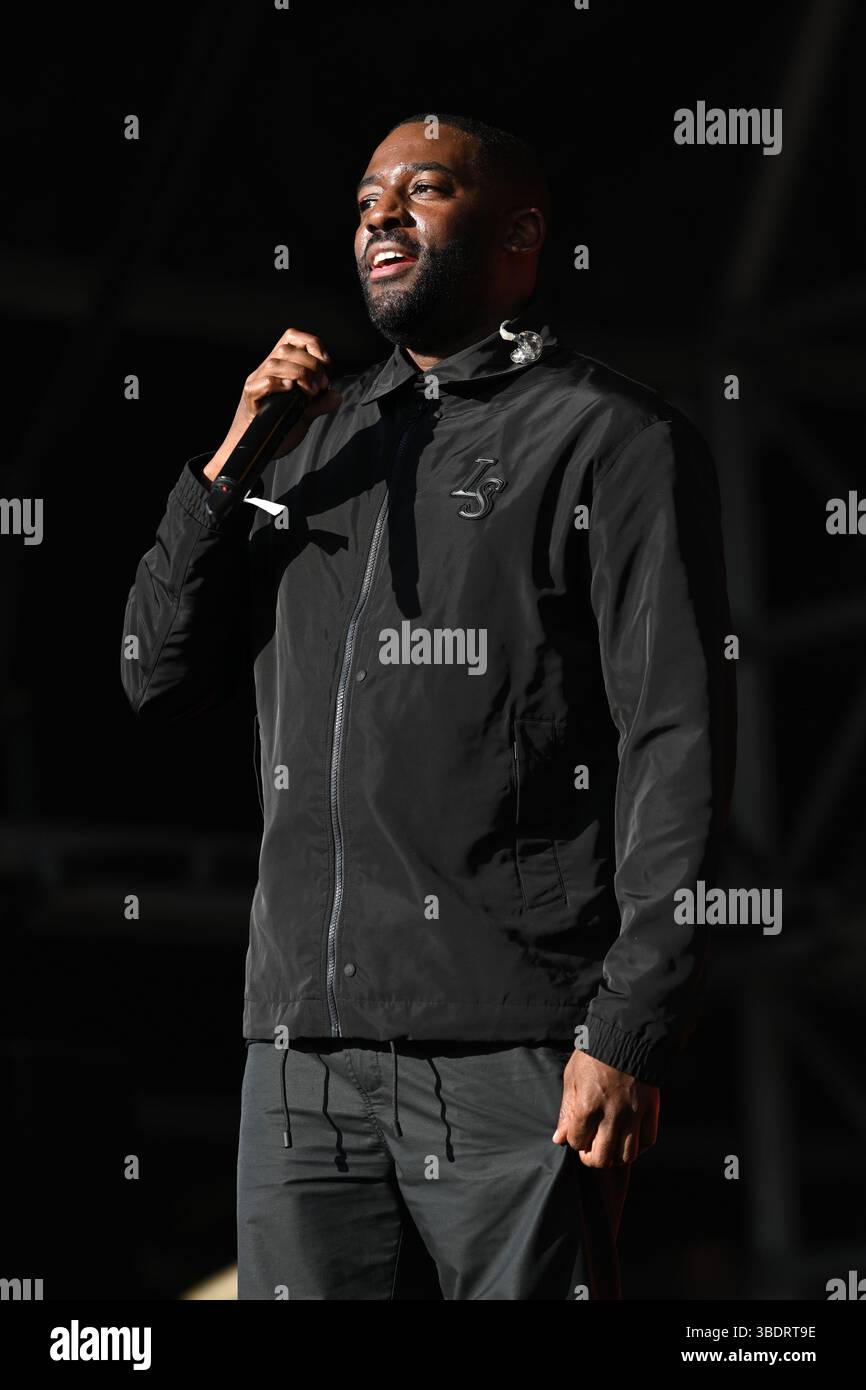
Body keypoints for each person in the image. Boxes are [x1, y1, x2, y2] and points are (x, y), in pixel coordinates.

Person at [120, 112, 737, 1301]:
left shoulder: (610, 438)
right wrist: (231, 459)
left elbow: (679, 740)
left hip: (513, 1043)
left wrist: (630, 1020)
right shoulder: (311, 446)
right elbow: (153, 672)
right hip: (301, 1049)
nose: (379, 215)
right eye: (362, 201)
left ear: (516, 233)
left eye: (423, 189)